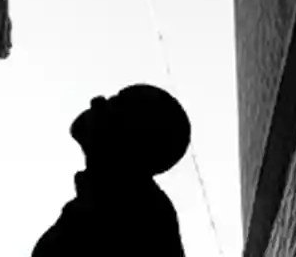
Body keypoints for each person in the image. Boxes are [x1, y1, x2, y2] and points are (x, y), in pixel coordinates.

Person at [32, 83, 191, 256]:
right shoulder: (104, 202)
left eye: (116, 104)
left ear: (132, 139)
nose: (97, 100)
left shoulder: (135, 216)